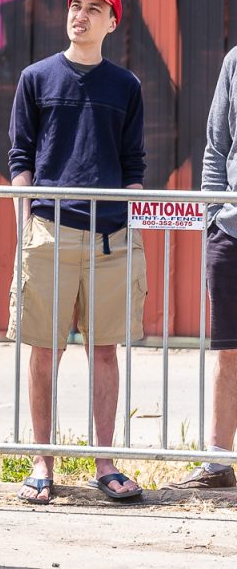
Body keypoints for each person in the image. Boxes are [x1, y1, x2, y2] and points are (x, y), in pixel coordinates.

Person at [6, 0, 147, 506]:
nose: (80, 15)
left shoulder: (126, 85)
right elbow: (20, 157)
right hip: (49, 230)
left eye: (93, 9)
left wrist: (131, 219)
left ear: (112, 22)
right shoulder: (35, 78)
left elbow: (134, 166)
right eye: (74, 6)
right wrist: (26, 221)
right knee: (45, 351)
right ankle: (42, 461)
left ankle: (104, 464)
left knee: (104, 351)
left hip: (111, 236)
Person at [175, 43, 237, 489]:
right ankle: (217, 464)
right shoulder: (235, 60)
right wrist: (213, 217)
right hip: (231, 231)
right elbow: (217, 147)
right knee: (228, 350)